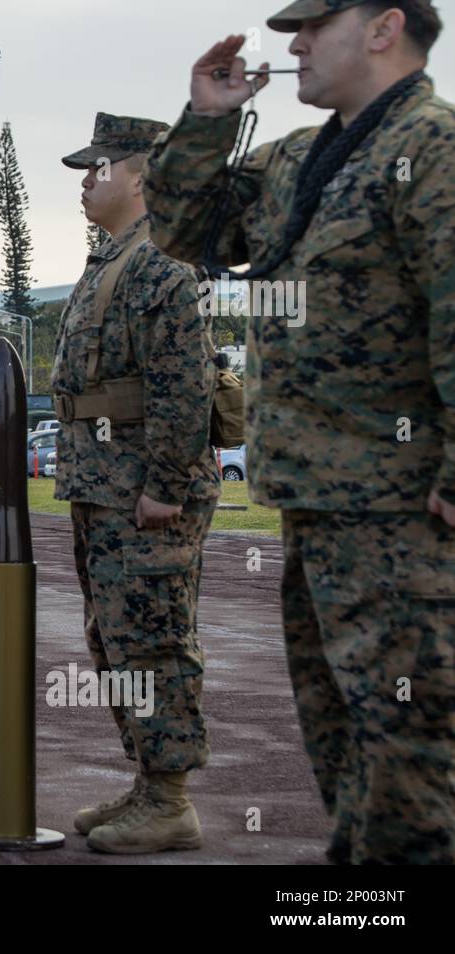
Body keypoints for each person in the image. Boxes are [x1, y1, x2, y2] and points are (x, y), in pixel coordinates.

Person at [144, 0, 454, 863]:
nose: (295, 43)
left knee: (412, 748)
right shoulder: (299, 159)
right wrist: (210, 121)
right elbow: (186, 231)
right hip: (317, 499)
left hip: (404, 511)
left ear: (386, 28)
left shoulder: (432, 148)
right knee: (341, 736)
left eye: (316, 25)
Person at [53, 113, 221, 853]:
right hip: (105, 481)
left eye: (101, 167)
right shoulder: (115, 259)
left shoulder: (165, 261)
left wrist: (166, 485)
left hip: (142, 486)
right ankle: (147, 779)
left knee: (154, 638)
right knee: (114, 637)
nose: (88, 181)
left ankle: (171, 797)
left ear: (141, 174)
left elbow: (186, 386)